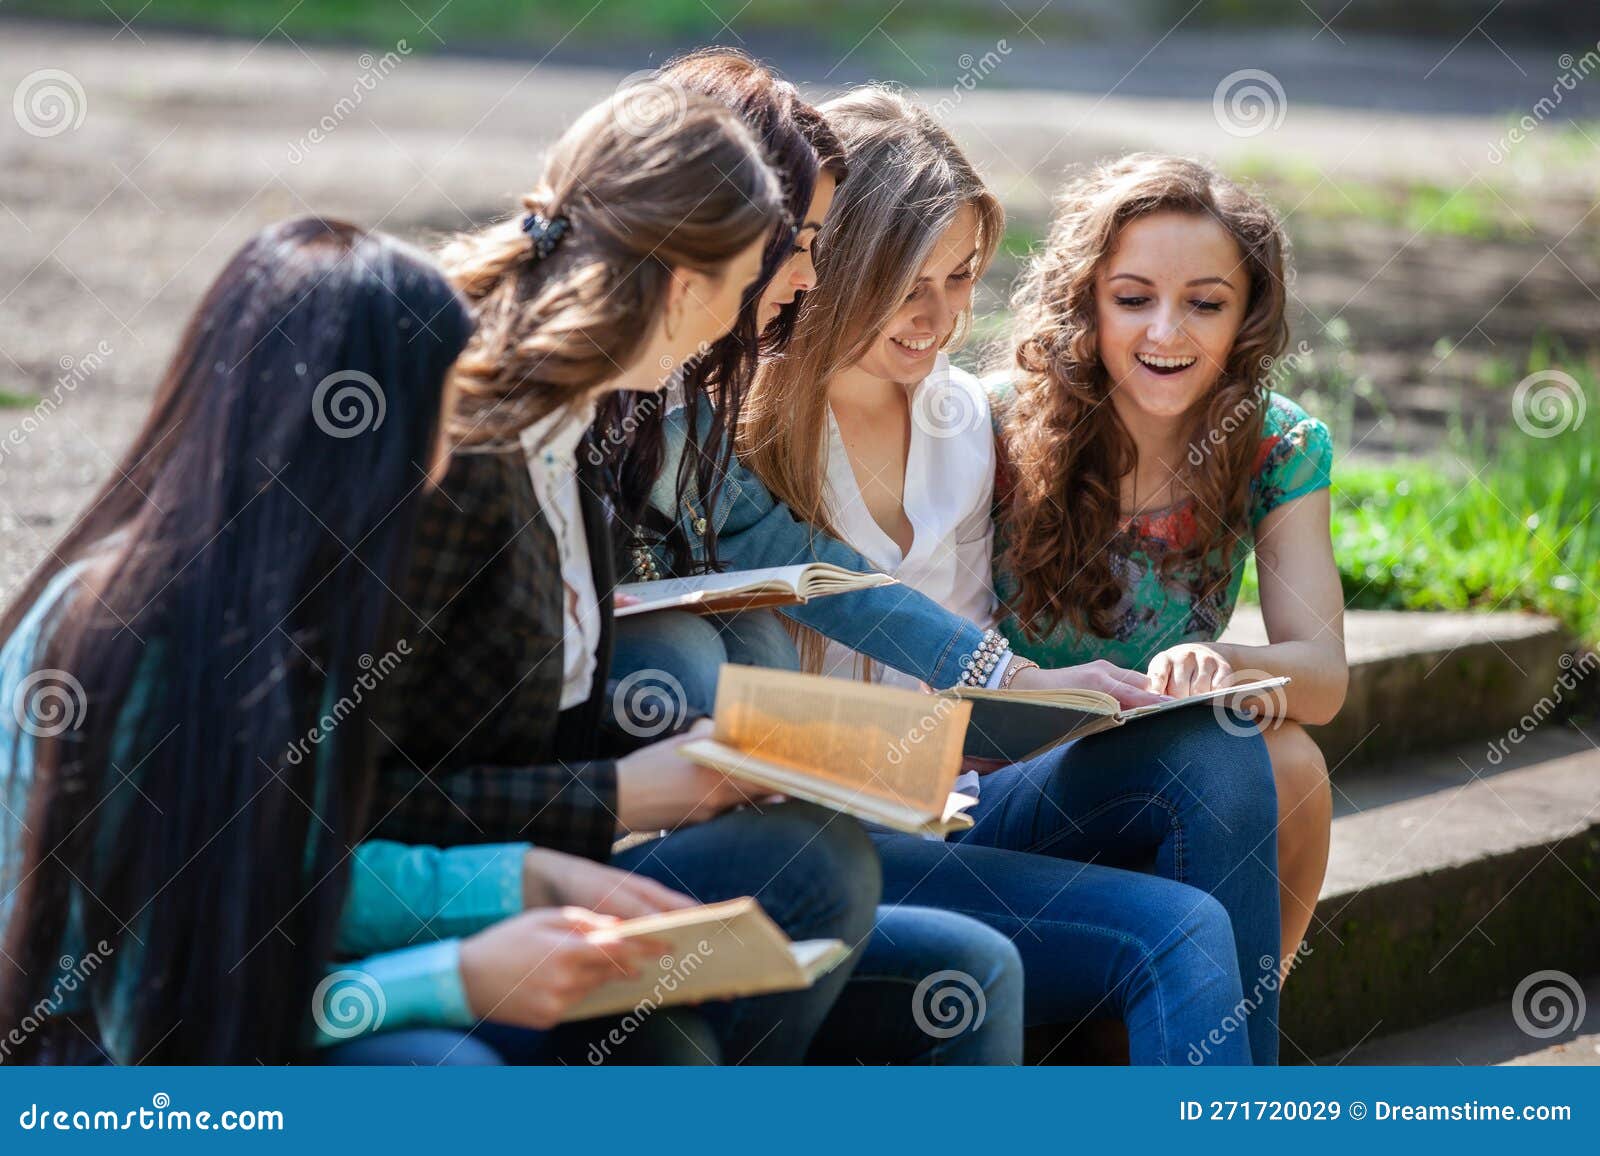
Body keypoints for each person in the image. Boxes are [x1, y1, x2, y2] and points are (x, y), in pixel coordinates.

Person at [366, 84, 1024, 1065]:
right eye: (793, 250)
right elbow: (344, 808)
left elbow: (786, 554)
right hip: (431, 889)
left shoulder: (590, 431)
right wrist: (620, 801)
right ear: (692, 286)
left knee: (931, 950)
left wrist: (1000, 683)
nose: (803, 281)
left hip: (541, 846)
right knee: (759, 921)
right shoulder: (465, 461)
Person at [627, 87, 1283, 1063]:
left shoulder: (958, 421)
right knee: (1174, 932)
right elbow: (819, 600)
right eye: (909, 280)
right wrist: (990, 693)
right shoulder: (722, 440)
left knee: (1218, 748)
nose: (940, 316)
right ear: (828, 264)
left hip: (953, 798)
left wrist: (1033, 696)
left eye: (964, 276)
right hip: (817, 831)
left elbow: (957, 632)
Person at [0, 217, 692, 1063]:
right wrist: (454, 976)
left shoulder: (282, 607)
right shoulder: (139, 643)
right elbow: (159, 1020)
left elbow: (290, 876)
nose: (454, 453)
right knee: (440, 1072)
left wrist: (522, 880)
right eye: (446, 414)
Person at [993, 153, 1346, 970]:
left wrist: (1223, 660)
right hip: (1011, 786)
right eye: (1132, 299)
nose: (1166, 333)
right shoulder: (991, 428)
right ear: (1087, 303)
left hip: (1182, 783)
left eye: (1205, 304)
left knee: (1290, 759)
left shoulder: (1276, 445)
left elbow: (1324, 677)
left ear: (1247, 316)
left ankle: (1240, 1024)